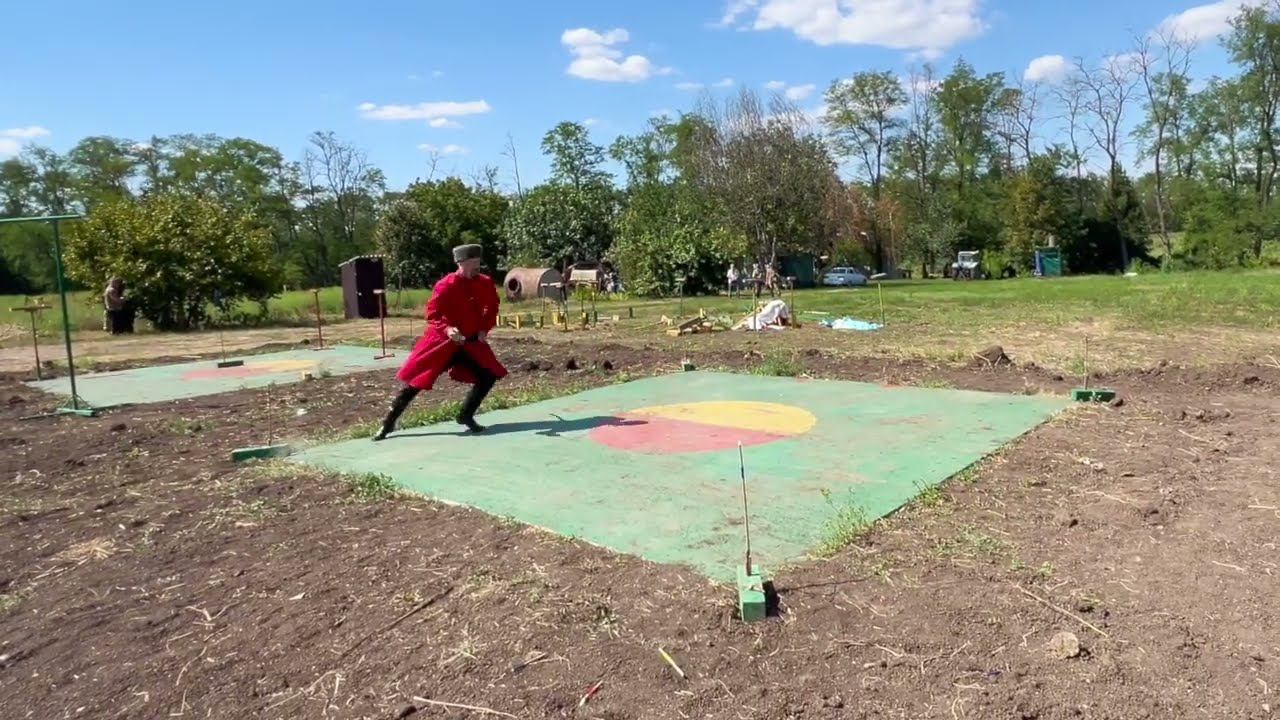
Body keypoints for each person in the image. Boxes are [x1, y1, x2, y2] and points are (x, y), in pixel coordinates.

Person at [373, 243, 507, 440]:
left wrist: (483, 329)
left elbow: (493, 307)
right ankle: (388, 424)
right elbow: (433, 314)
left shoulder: (485, 282)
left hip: (469, 344)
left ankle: (465, 416)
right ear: (461, 262)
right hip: (442, 344)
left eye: (478, 261)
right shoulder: (446, 285)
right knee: (415, 383)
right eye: (473, 262)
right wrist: (447, 328)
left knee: (488, 376)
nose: (477, 266)